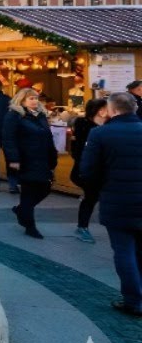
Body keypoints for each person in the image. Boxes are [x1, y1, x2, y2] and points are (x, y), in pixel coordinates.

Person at [78, 93, 142, 316]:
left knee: (123, 251)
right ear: (134, 109)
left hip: (118, 200)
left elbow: (87, 171)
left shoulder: (100, 134)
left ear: (112, 110)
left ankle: (134, 299)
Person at [2, 88, 59, 239]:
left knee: (45, 187)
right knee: (28, 193)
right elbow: (9, 138)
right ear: (22, 100)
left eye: (36, 98)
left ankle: (21, 210)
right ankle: (30, 226)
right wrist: (13, 159)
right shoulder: (14, 116)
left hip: (42, 159)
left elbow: (48, 137)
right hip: (26, 159)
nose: (35, 101)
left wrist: (53, 157)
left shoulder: (40, 115)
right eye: (31, 98)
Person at [69, 98, 109, 244]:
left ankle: (83, 227)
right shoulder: (84, 126)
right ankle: (82, 227)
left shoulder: (109, 125)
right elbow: (77, 151)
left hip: (103, 171)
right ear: (101, 111)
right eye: (108, 107)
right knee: (91, 198)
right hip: (88, 171)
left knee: (93, 198)